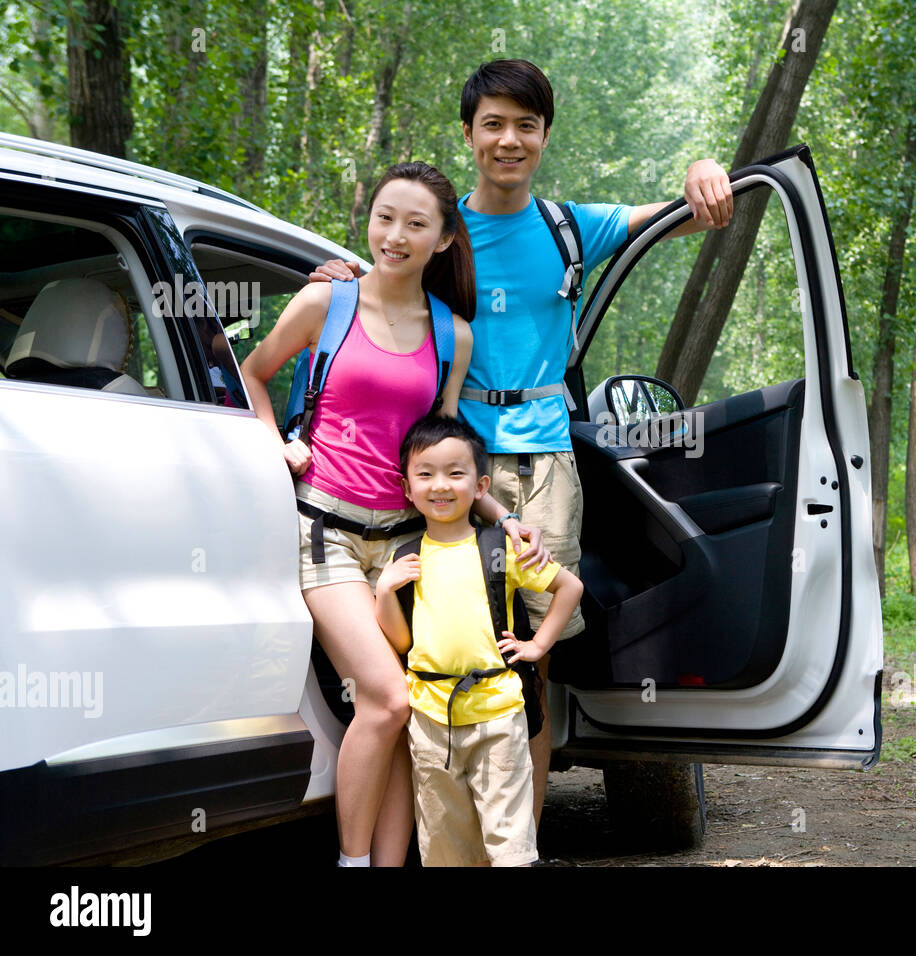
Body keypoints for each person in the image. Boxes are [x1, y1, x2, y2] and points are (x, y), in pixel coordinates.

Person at [311, 58, 733, 828]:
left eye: (526, 126)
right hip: (452, 466)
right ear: (470, 135)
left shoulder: (570, 228)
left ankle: (521, 839)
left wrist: (705, 169)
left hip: (546, 467)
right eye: (493, 125)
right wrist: (335, 273)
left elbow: (683, 212)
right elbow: (376, 289)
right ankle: (443, 836)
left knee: (529, 665)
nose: (509, 140)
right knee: (434, 650)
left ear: (543, 137)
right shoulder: (441, 232)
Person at [241, 161, 546, 867]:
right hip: (327, 530)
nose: (395, 235)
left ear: (443, 240)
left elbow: (447, 452)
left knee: (411, 707)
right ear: (369, 220)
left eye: (416, 224)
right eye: (385, 217)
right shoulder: (328, 304)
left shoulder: (454, 335)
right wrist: (277, 442)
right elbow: (255, 373)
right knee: (385, 698)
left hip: (410, 540)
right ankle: (352, 862)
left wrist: (502, 518)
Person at [375, 414, 583, 866]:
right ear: (407, 489)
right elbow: (400, 639)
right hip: (431, 719)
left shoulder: (498, 548)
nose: (441, 485)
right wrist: (384, 590)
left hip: (498, 714)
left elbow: (569, 587)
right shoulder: (407, 557)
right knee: (445, 842)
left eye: (455, 473)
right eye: (425, 474)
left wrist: (537, 647)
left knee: (509, 838)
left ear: (481, 484)